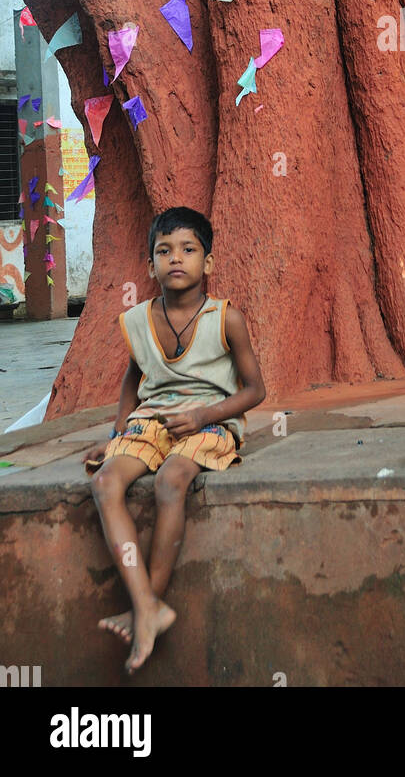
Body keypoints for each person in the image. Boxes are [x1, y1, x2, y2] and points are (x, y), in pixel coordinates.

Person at [81, 206, 265, 673]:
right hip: (150, 423)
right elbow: (134, 376)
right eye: (164, 251)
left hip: (209, 423)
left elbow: (254, 391)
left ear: (209, 262)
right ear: (150, 266)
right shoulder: (139, 320)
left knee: (170, 481)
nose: (175, 259)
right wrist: (117, 433)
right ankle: (146, 605)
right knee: (104, 484)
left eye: (188, 249)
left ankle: (150, 602)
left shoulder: (227, 318)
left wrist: (203, 413)